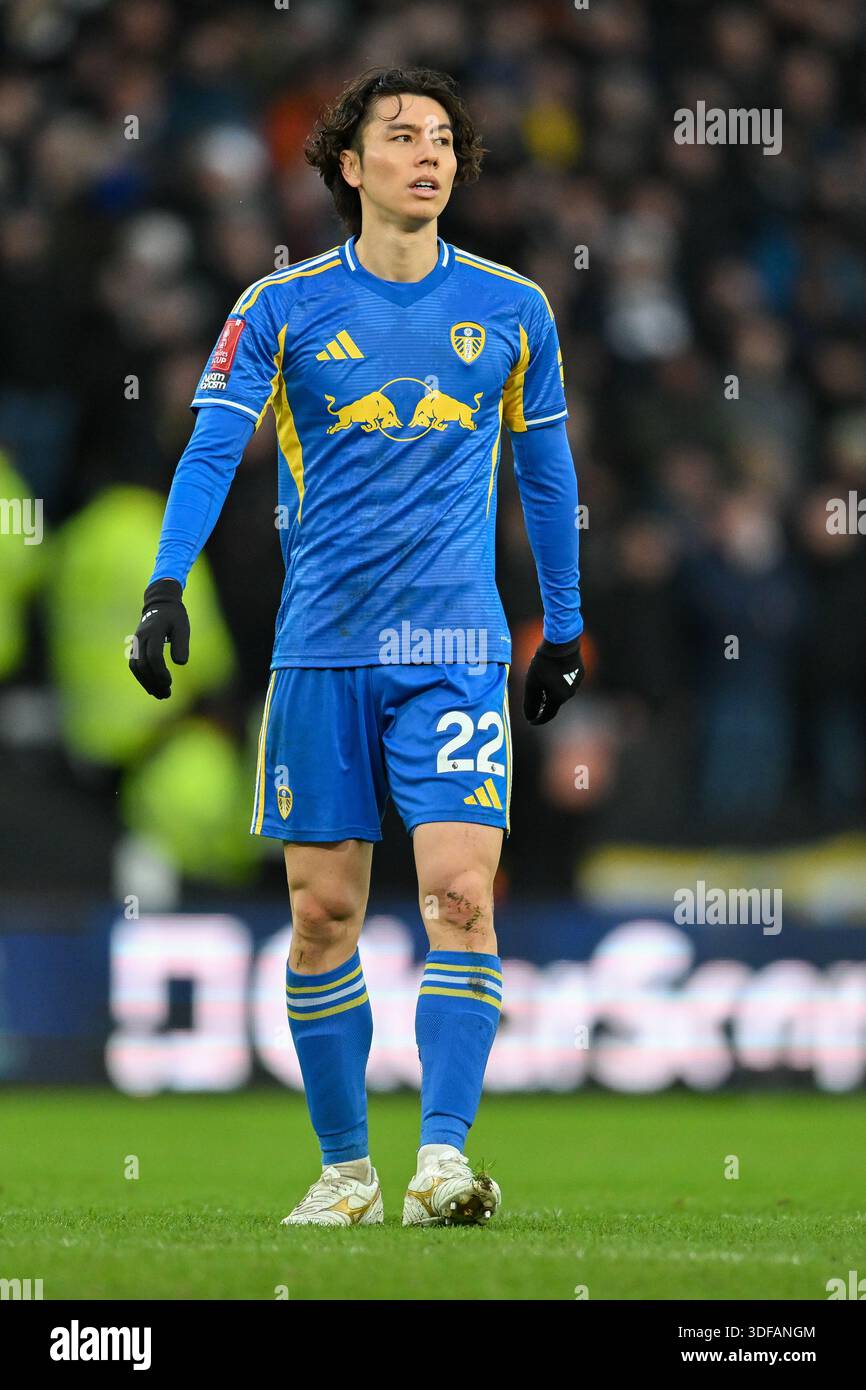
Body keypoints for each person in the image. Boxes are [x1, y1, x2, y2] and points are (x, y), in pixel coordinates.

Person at [128, 66, 584, 1228]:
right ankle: (345, 1173)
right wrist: (165, 583)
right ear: (350, 165)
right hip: (320, 647)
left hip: (454, 647)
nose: (427, 156)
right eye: (401, 138)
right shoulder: (276, 310)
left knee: (460, 892)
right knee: (323, 911)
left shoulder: (514, 309)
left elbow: (545, 477)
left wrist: (565, 626)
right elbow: (210, 450)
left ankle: (441, 1161)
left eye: (442, 140)